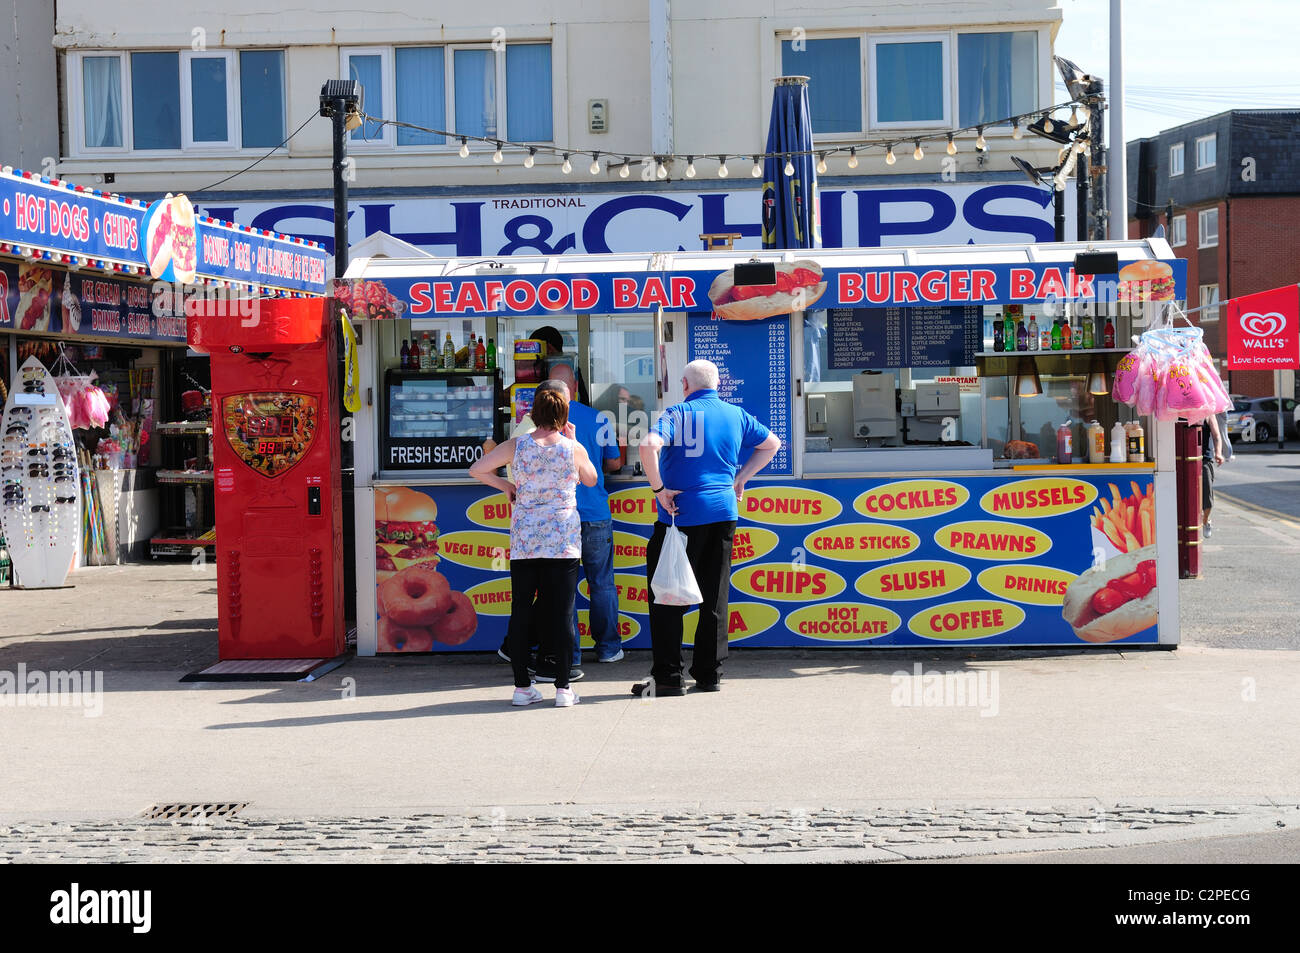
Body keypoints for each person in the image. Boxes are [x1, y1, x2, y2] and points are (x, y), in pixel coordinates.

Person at [634, 359, 780, 696]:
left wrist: (658, 489)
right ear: (717, 385)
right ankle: (709, 675)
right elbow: (771, 444)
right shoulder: (736, 414)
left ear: (685, 385)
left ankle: (669, 677)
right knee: (714, 598)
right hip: (724, 513)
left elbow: (647, 445)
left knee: (667, 597)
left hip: (679, 517)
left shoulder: (676, 414)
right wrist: (740, 480)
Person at [470, 383, 598, 708]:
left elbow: (477, 469)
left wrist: (505, 484)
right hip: (562, 542)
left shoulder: (518, 445)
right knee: (563, 613)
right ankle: (563, 688)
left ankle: (521, 687)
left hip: (525, 541)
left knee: (522, 612)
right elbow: (592, 479)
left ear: (533, 413)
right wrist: (573, 440)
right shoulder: (572, 448)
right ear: (563, 413)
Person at [1202, 411, 1227, 538]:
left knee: (1207, 496)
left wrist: (1218, 453)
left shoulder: (1208, 413)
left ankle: (1205, 520)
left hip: (1204, 458)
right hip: (1182, 458)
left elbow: (1216, 436)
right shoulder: (1179, 409)